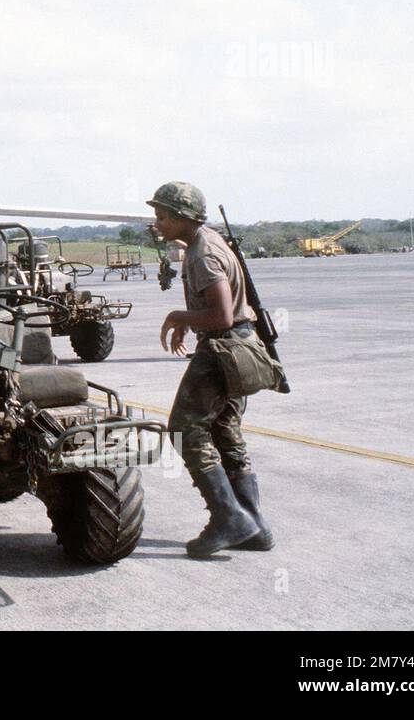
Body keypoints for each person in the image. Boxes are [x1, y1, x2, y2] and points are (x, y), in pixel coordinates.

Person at [148, 181, 274, 557]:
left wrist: (178, 315)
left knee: (184, 430)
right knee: (225, 430)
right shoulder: (209, 240)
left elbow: (219, 315)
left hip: (222, 349)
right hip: (243, 345)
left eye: (163, 216)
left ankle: (228, 518)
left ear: (184, 218)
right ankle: (252, 524)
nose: (157, 223)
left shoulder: (203, 255)